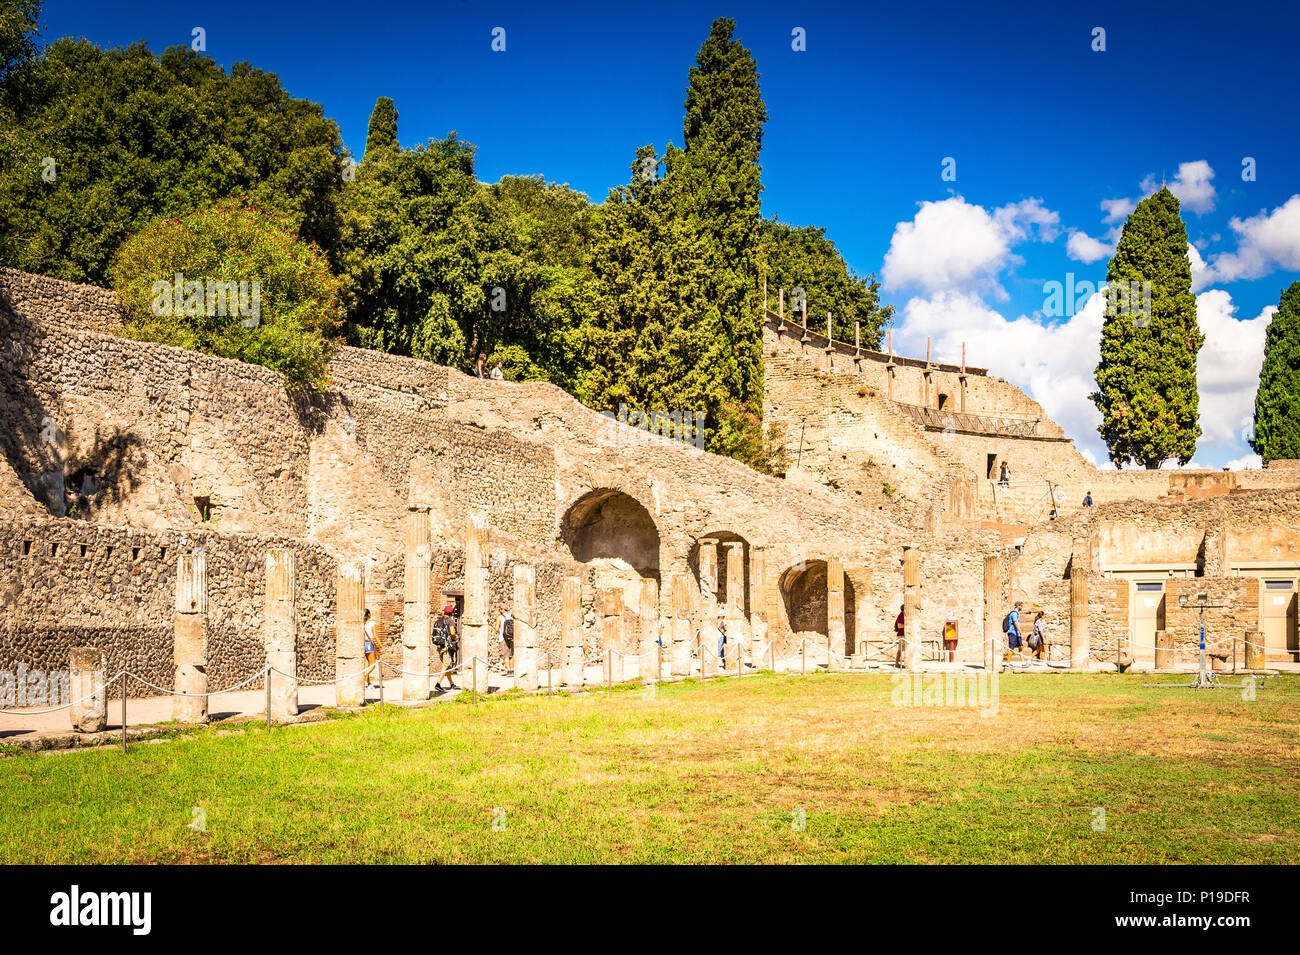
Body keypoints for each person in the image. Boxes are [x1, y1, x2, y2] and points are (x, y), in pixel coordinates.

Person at [431, 604, 459, 692]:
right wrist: (455, 638)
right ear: (451, 613)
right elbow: (453, 633)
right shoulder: (450, 621)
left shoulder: (439, 621)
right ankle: (438, 684)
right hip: (446, 645)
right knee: (447, 664)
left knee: (446, 665)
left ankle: (451, 684)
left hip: (439, 644)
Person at [363, 609, 380, 687]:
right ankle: (363, 677)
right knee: (373, 664)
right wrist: (380, 644)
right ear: (369, 614)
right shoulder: (372, 623)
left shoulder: (363, 624)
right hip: (369, 643)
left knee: (367, 664)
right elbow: (375, 635)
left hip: (364, 643)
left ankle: (368, 682)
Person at [496, 603, 514, 672]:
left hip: (503, 638)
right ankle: (512, 669)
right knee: (511, 654)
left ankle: (508, 670)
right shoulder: (512, 616)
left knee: (505, 655)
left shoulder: (500, 617)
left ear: (501, 610)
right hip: (512, 638)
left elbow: (497, 629)